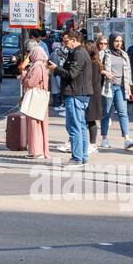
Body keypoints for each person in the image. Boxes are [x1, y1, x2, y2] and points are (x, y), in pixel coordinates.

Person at [51, 31, 94, 164]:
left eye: (66, 41)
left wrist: (56, 69)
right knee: (80, 127)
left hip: (76, 94)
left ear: (74, 40)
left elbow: (71, 74)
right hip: (77, 93)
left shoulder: (79, 53)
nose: (64, 44)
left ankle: (76, 158)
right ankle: (82, 156)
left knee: (74, 127)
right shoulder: (77, 52)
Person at [100, 33, 133, 150]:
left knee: (123, 113)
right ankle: (104, 138)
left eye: (120, 41)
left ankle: (127, 139)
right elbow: (98, 68)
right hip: (108, 87)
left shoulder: (124, 54)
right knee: (106, 113)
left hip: (121, 87)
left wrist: (129, 88)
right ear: (111, 41)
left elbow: (128, 72)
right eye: (116, 41)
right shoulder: (105, 54)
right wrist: (105, 73)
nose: (119, 43)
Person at [19, 44, 51, 159]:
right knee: (40, 124)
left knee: (34, 124)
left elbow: (31, 83)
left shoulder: (37, 66)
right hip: (41, 97)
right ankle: (40, 150)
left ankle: (36, 151)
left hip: (35, 98)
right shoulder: (43, 64)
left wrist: (24, 76)